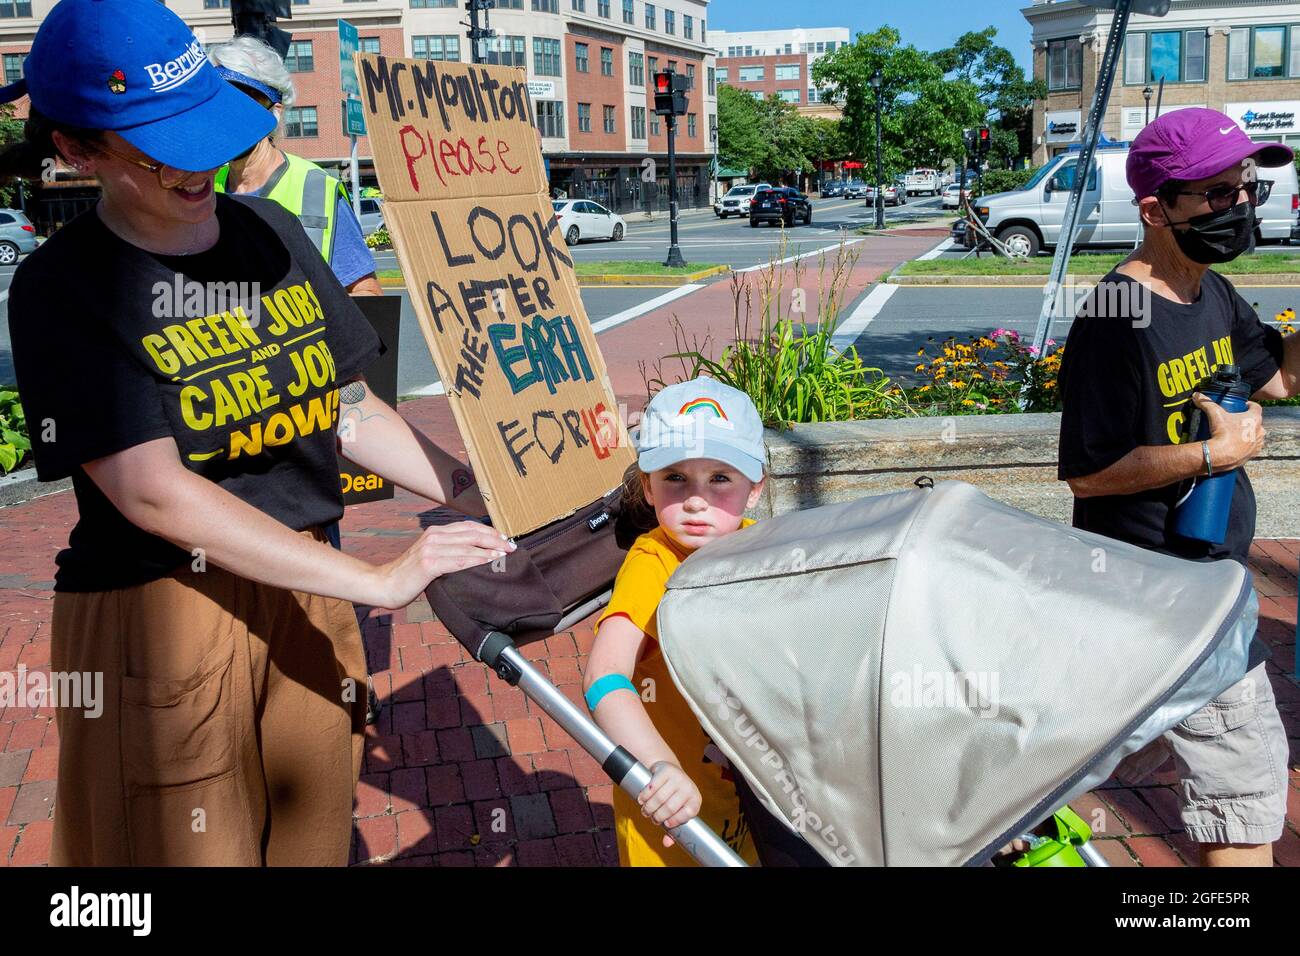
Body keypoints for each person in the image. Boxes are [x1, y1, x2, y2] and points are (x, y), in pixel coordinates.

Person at [2, 0, 511, 866]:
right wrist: (378, 582)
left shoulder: (269, 231)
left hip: (307, 586)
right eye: (160, 150)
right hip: (163, 608)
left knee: (312, 840)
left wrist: (479, 490)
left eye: (209, 134)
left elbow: (344, 407)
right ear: (77, 151)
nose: (198, 170)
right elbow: (151, 489)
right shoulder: (63, 285)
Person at [1056, 107, 1299, 867]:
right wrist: (1211, 457)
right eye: (1216, 196)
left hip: (1201, 578)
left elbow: (1281, 379)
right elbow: (1088, 470)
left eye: (1245, 189)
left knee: (1126, 748)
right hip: (1163, 588)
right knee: (1247, 790)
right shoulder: (1115, 316)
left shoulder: (1213, 293)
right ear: (1157, 210)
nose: (1239, 207)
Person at [582, 378, 762, 866]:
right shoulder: (653, 563)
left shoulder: (760, 548)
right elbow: (604, 676)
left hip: (742, 797)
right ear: (647, 485)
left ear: (756, 486)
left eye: (720, 478)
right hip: (670, 804)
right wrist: (657, 767)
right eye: (675, 478)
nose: (697, 500)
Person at [207, 36, 381, 297]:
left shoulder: (318, 188)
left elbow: (366, 292)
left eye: (244, 103)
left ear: (274, 111)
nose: (228, 118)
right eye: (218, 105)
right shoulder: (205, 187)